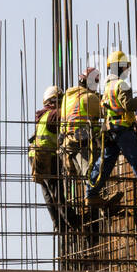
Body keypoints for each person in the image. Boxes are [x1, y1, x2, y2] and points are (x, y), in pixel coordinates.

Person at [87, 50, 137, 204]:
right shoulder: (121, 84)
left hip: (110, 129)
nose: (128, 70)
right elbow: (128, 105)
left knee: (104, 162)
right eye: (126, 67)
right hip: (122, 129)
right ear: (121, 67)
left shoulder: (108, 85)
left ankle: (91, 192)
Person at [28, 84, 79, 230]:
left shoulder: (43, 115)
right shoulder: (53, 114)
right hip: (47, 156)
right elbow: (69, 113)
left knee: (47, 193)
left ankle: (58, 224)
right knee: (57, 192)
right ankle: (74, 222)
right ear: (54, 101)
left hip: (35, 156)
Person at [59, 67, 103, 179]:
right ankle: (93, 194)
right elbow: (107, 112)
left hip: (67, 141)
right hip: (82, 140)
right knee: (91, 171)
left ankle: (91, 193)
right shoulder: (90, 97)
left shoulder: (68, 96)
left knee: (84, 174)